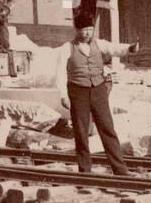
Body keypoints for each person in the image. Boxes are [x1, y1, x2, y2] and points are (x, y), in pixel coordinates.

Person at [59, 11, 139, 176]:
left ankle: (120, 170)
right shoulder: (67, 48)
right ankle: (85, 171)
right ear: (77, 30)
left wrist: (130, 48)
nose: (88, 33)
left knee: (107, 128)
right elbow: (60, 74)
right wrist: (63, 95)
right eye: (85, 30)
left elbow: (115, 49)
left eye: (91, 29)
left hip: (98, 90)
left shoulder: (99, 44)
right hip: (78, 91)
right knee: (81, 132)